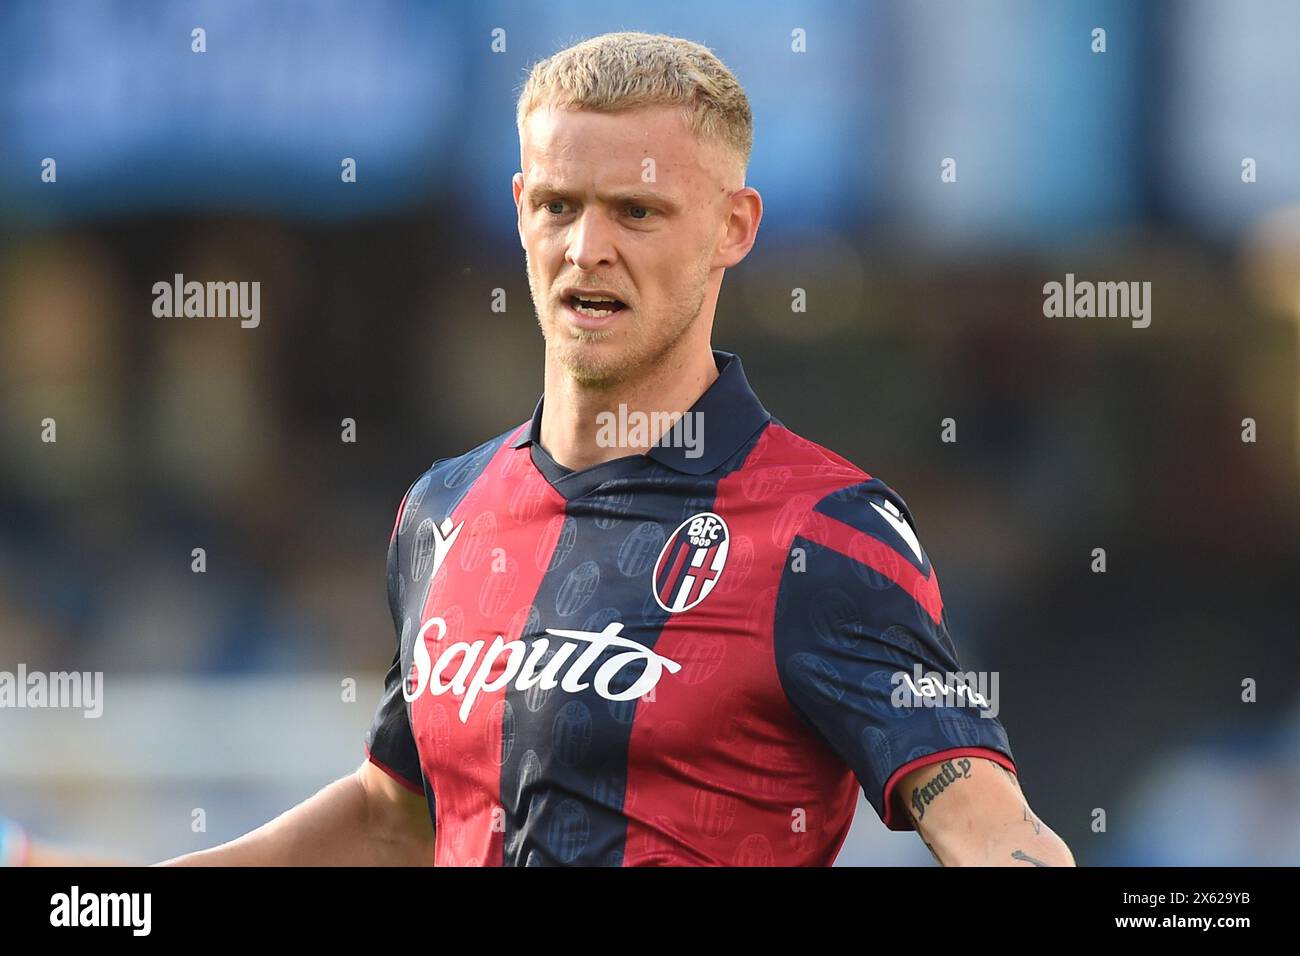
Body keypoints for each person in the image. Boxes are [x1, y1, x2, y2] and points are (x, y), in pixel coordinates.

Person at [15, 31, 1072, 867]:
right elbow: (396, 818)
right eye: (559, 205)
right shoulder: (444, 509)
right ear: (519, 210)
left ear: (733, 227)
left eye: (638, 210)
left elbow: (989, 826)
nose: (587, 248)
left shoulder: (824, 532)